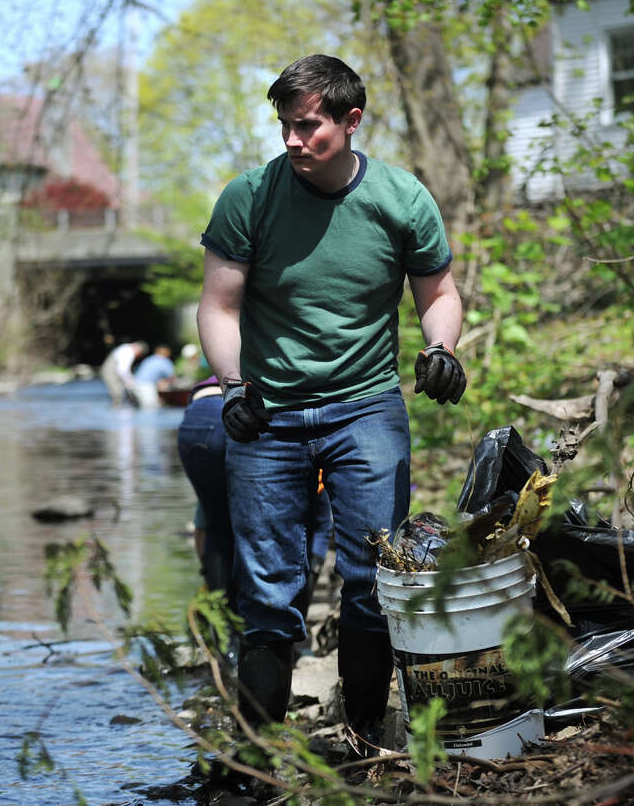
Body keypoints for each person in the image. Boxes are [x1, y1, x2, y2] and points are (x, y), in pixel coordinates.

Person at [196, 54, 466, 752]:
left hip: (366, 407)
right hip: (267, 416)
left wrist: (441, 349)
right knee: (268, 596)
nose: (292, 140)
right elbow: (219, 306)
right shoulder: (248, 198)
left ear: (351, 121)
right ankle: (255, 759)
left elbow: (438, 293)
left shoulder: (401, 198)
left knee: (374, 580)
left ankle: (365, 741)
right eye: (284, 125)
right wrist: (232, 385)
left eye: (307, 126)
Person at [176, 376, 332, 667]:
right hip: (252, 414)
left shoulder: (227, 356)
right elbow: (317, 526)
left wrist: (211, 580)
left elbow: (202, 528)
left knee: (217, 524)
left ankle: (225, 641)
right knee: (305, 526)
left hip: (198, 419)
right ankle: (286, 633)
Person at [99, 340, 147, 406]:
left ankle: (118, 408)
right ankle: (117, 409)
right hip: (110, 374)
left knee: (119, 393)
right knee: (118, 394)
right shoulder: (128, 352)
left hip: (112, 372)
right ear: (138, 350)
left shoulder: (125, 348)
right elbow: (122, 370)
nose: (137, 356)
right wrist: (130, 382)